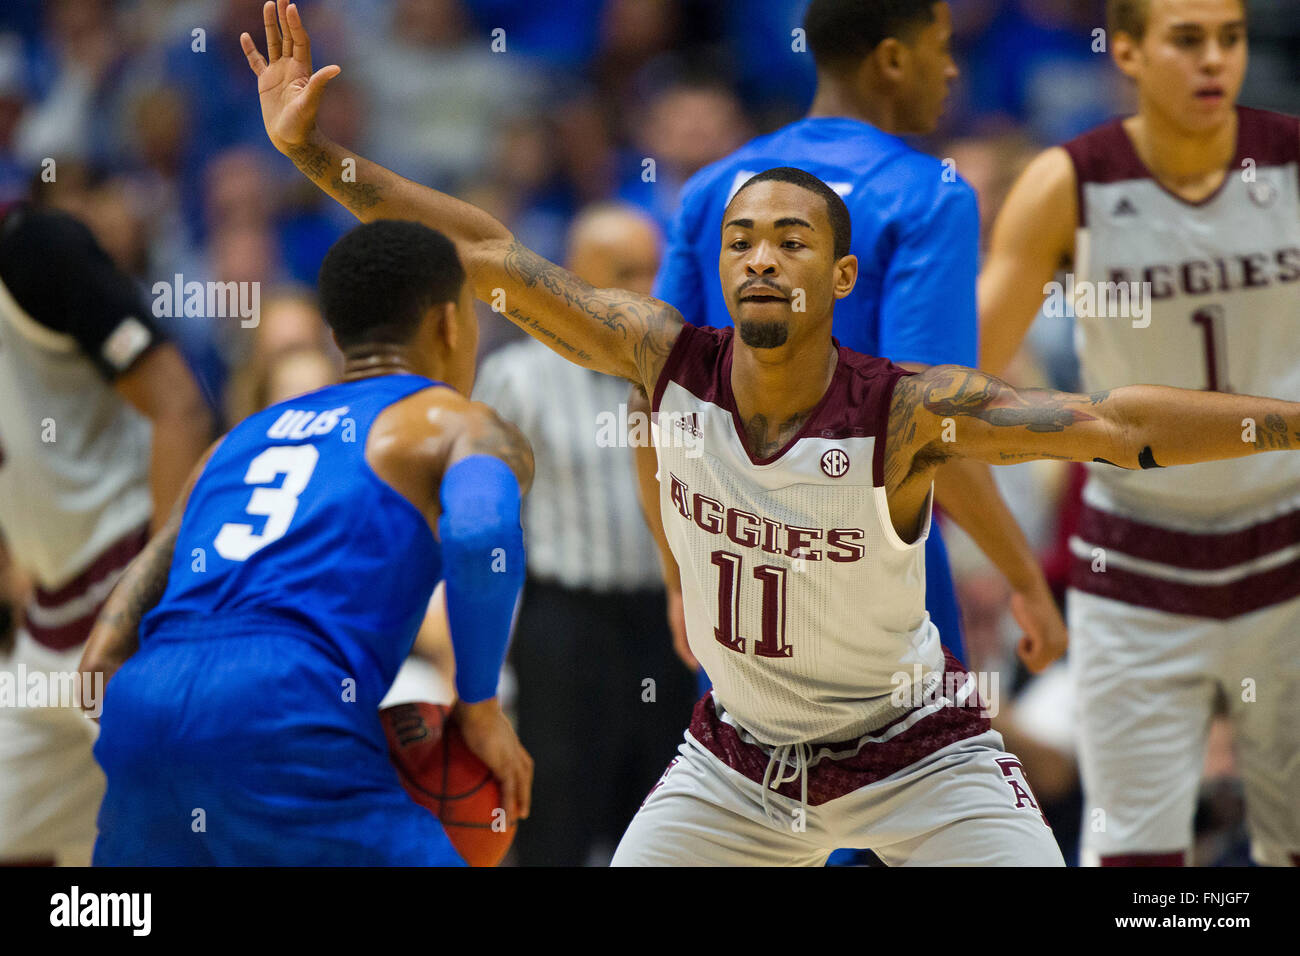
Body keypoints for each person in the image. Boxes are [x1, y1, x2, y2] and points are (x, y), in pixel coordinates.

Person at [244, 0, 1300, 866]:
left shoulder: (904, 407)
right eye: (741, 239)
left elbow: (1112, 426)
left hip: (920, 758)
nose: (758, 256)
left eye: (789, 239)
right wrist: (315, 153)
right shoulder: (662, 357)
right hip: (736, 763)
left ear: (839, 278)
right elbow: (484, 253)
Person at [81, 218, 535, 865]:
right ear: (449, 323)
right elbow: (482, 533)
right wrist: (481, 706)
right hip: (283, 700)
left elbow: (100, 658)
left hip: (143, 706)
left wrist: (177, 742)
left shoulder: (233, 443)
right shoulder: (450, 420)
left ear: (336, 336)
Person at [638, 0, 1067, 677]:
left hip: (736, 572)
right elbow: (932, 424)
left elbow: (650, 402)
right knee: (925, 777)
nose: (953, 70)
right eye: (942, 47)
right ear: (894, 60)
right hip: (873, 569)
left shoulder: (713, 188)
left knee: (745, 779)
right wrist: (1026, 578)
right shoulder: (930, 193)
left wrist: (677, 574)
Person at [978, 0, 1300, 866]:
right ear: (1125, 50)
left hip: (1288, 548)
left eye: (1230, 39)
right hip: (1136, 561)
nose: (1215, 61)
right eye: (1187, 39)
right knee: (1138, 863)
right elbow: (959, 384)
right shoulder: (1069, 181)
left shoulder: (1293, 157)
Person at [473, 203, 697, 865]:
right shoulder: (518, 377)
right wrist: (489, 660)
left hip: (668, 625)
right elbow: (485, 531)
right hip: (565, 629)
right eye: (628, 271)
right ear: (576, 280)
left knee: (667, 822)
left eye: (657, 268)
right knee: (557, 824)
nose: (650, 286)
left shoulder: (691, 375)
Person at [0, 200, 213, 866]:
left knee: (187, 843)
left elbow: (179, 404)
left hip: (124, 586)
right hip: (48, 622)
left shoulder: (34, 247)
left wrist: (156, 605)